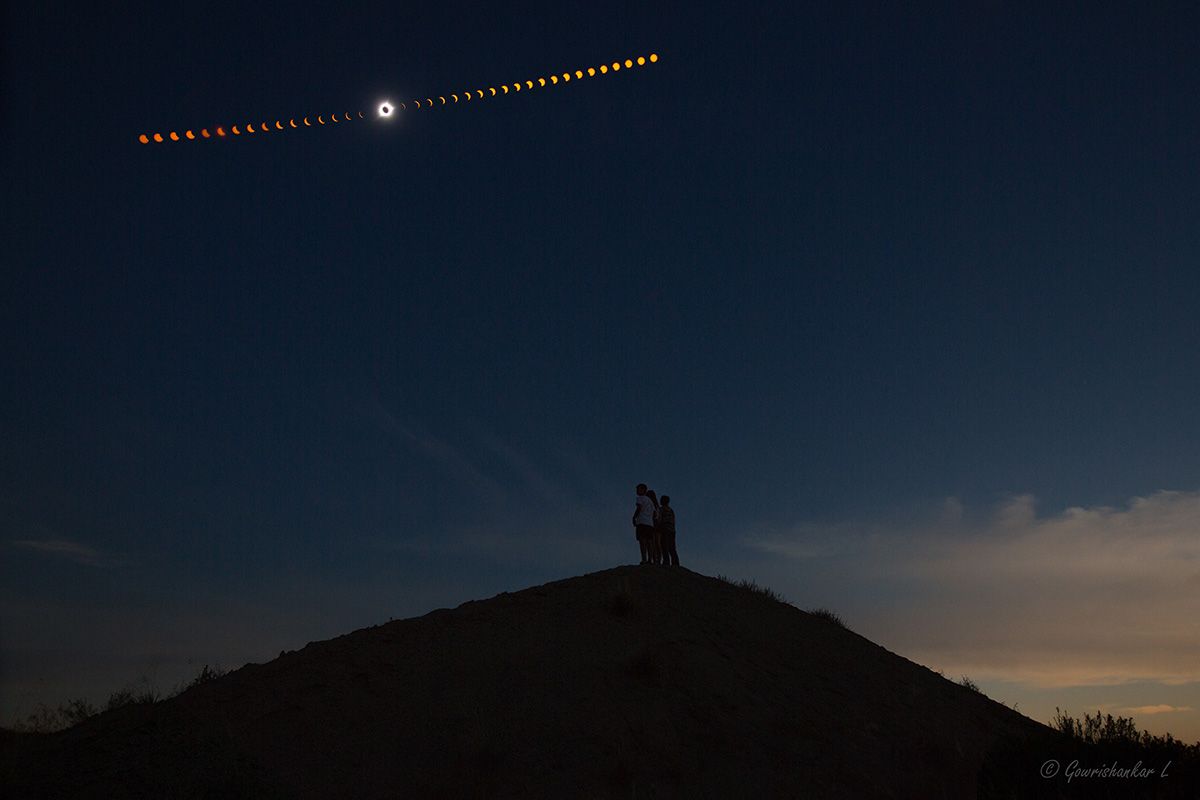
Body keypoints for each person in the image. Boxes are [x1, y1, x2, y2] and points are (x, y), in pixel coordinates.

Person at [632, 484, 656, 564]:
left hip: (642, 522)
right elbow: (654, 514)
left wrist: (634, 517)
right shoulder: (650, 501)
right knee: (649, 541)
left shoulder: (640, 498)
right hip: (650, 524)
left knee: (642, 541)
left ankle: (644, 559)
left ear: (643, 490)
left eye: (638, 489)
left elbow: (639, 508)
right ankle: (650, 559)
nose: (637, 491)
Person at [658, 495, 679, 566]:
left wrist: (658, 526)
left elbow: (659, 519)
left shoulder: (661, 509)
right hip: (672, 530)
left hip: (664, 529)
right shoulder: (671, 510)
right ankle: (675, 563)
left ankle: (666, 562)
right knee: (672, 547)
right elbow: (673, 520)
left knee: (664, 546)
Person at [645, 489, 662, 564]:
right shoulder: (657, 506)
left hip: (653, 525)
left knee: (652, 543)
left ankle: (652, 559)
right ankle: (657, 559)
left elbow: (654, 516)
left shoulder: (651, 506)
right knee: (657, 544)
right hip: (657, 526)